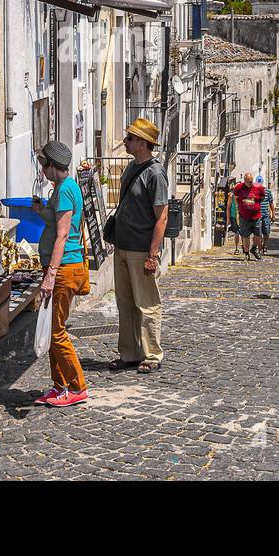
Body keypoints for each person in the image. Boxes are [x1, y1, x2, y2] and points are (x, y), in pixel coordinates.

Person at [33, 141, 89, 407]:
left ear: (54, 167)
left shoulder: (66, 191)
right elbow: (55, 220)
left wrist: (50, 275)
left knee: (57, 333)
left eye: (44, 165)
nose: (42, 170)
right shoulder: (61, 189)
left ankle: (77, 387)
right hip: (61, 267)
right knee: (54, 330)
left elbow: (64, 233)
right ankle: (59, 387)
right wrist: (40, 210)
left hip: (65, 267)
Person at [111, 118, 169, 373]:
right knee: (125, 303)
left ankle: (152, 354)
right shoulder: (131, 167)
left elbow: (162, 217)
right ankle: (129, 353)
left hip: (141, 249)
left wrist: (152, 255)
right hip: (122, 245)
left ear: (144, 143)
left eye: (131, 138)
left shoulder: (155, 173)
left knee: (146, 303)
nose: (126, 142)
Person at [232, 172, 266, 260]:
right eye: (248, 182)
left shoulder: (259, 187)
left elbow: (262, 198)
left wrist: (254, 205)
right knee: (245, 236)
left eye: (251, 181)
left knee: (257, 235)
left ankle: (254, 249)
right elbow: (236, 198)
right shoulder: (238, 188)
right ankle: (247, 253)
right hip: (244, 217)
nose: (250, 183)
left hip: (256, 216)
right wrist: (240, 207)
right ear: (244, 180)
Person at [256, 175, 274, 257]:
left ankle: (264, 245)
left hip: (266, 215)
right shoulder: (254, 191)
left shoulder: (267, 191)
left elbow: (271, 203)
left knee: (266, 232)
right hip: (257, 215)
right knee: (258, 233)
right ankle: (260, 249)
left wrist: (273, 214)